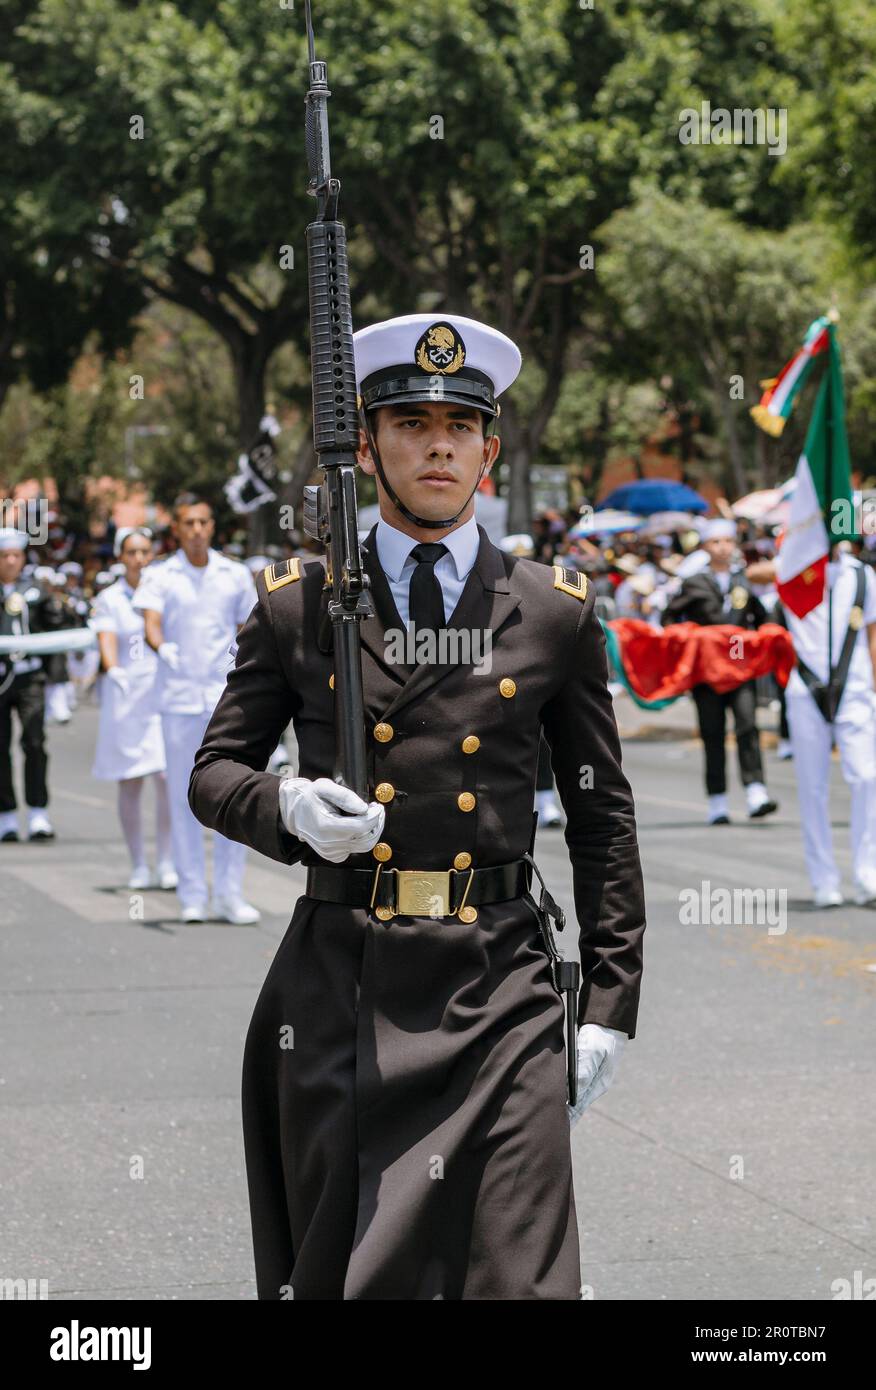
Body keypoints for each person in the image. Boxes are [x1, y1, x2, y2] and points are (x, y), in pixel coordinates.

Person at [188, 312, 646, 1300]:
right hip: (347, 979)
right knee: (353, 1275)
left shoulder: (554, 607)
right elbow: (214, 773)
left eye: (458, 425)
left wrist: (610, 1000)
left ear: (489, 445)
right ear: (367, 444)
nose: (437, 444)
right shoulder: (297, 604)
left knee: (519, 1279)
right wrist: (291, 806)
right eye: (409, 421)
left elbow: (601, 812)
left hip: (500, 988)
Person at [133, 495, 258, 923]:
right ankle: (191, 893)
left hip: (225, 695)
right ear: (178, 530)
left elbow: (247, 626)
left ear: (212, 527)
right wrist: (161, 645)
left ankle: (228, 893)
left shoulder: (234, 573)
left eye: (204, 522)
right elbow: (150, 621)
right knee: (183, 795)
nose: (198, 530)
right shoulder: (161, 575)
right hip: (178, 698)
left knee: (232, 790)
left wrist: (243, 658)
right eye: (189, 523)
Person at [664, 518, 778, 825]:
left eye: (728, 541)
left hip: (740, 670)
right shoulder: (695, 583)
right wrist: (692, 641)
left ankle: (756, 791)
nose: (723, 547)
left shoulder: (745, 581)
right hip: (707, 672)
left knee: (747, 725)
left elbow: (762, 618)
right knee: (713, 732)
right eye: (716, 542)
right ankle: (718, 800)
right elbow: (669, 619)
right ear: (705, 547)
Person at [779, 544, 876, 907]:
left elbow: (871, 634)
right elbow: (758, 575)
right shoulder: (793, 567)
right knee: (812, 787)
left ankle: (868, 874)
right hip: (807, 688)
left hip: (855, 687)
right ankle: (824, 880)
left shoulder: (862, 574)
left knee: (866, 776)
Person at [91, 527, 176, 891]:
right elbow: (106, 639)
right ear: (121, 556)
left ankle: (168, 861)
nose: (139, 558)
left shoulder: (163, 589)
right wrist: (114, 670)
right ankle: (138, 862)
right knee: (131, 780)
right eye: (132, 552)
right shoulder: (111, 598)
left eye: (145, 551)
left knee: (166, 779)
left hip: (161, 689)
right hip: (127, 695)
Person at [0, 528, 67, 842]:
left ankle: (38, 812)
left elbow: (56, 634)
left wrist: (57, 684)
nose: (10, 561)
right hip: (0, 679)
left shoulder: (36, 592)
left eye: (15, 555)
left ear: (23, 557)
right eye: (4, 556)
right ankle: (6, 815)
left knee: (35, 742)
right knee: (0, 748)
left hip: (30, 677)